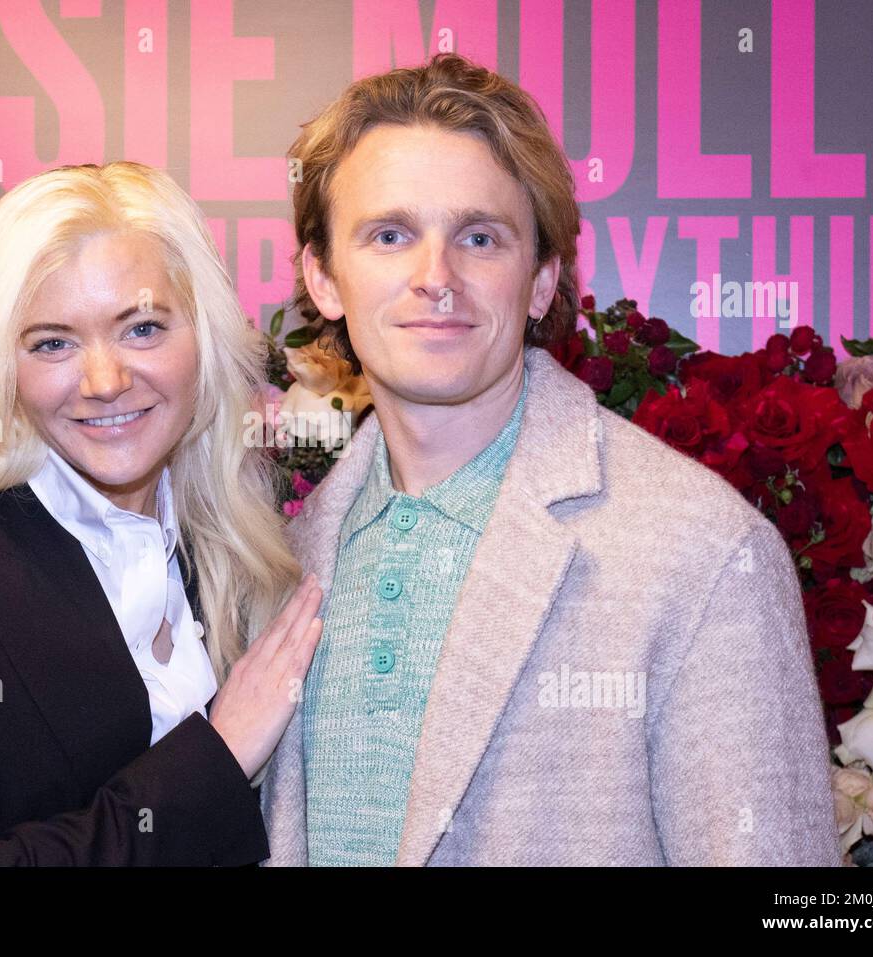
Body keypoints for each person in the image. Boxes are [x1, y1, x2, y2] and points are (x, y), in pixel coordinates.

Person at [262, 53, 841, 866]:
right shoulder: (281, 562)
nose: (436, 278)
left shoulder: (704, 552)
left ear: (541, 281)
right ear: (323, 278)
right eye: (390, 235)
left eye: (479, 238)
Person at [0, 162, 323, 866]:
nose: (105, 381)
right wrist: (221, 752)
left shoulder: (241, 537)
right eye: (53, 343)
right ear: (2, 366)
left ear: (204, 338)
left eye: (142, 328)